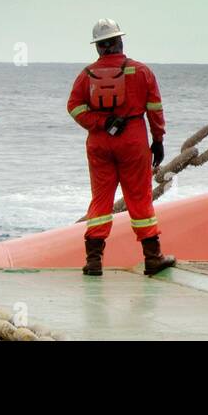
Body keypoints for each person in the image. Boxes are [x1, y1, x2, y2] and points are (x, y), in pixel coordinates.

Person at [67, 18, 175, 278]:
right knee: (139, 198)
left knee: (101, 200)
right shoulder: (141, 72)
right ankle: (152, 257)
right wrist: (158, 140)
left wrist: (100, 122)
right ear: (120, 42)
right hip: (133, 140)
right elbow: (155, 109)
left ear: (98, 47)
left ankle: (94, 261)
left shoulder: (86, 75)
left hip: (99, 142)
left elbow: (74, 107)